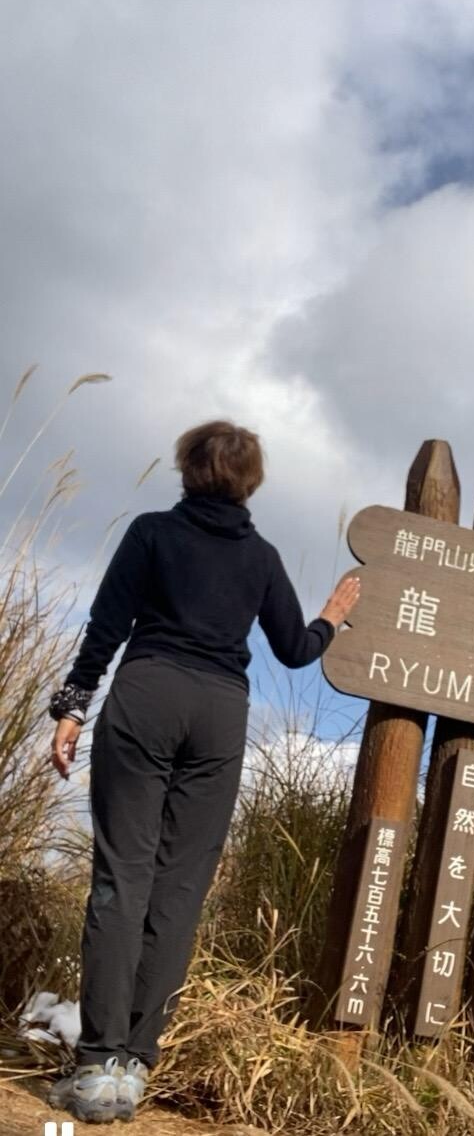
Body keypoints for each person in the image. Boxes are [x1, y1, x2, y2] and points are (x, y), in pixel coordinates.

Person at [46, 420, 359, 1124]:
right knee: (180, 890)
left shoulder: (152, 532)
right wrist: (330, 619)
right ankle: (133, 1068)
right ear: (252, 482)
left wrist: (72, 708)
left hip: (148, 693)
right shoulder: (262, 557)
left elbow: (106, 626)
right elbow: (295, 649)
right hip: (220, 713)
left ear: (187, 468)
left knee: (122, 878)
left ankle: (95, 1067)